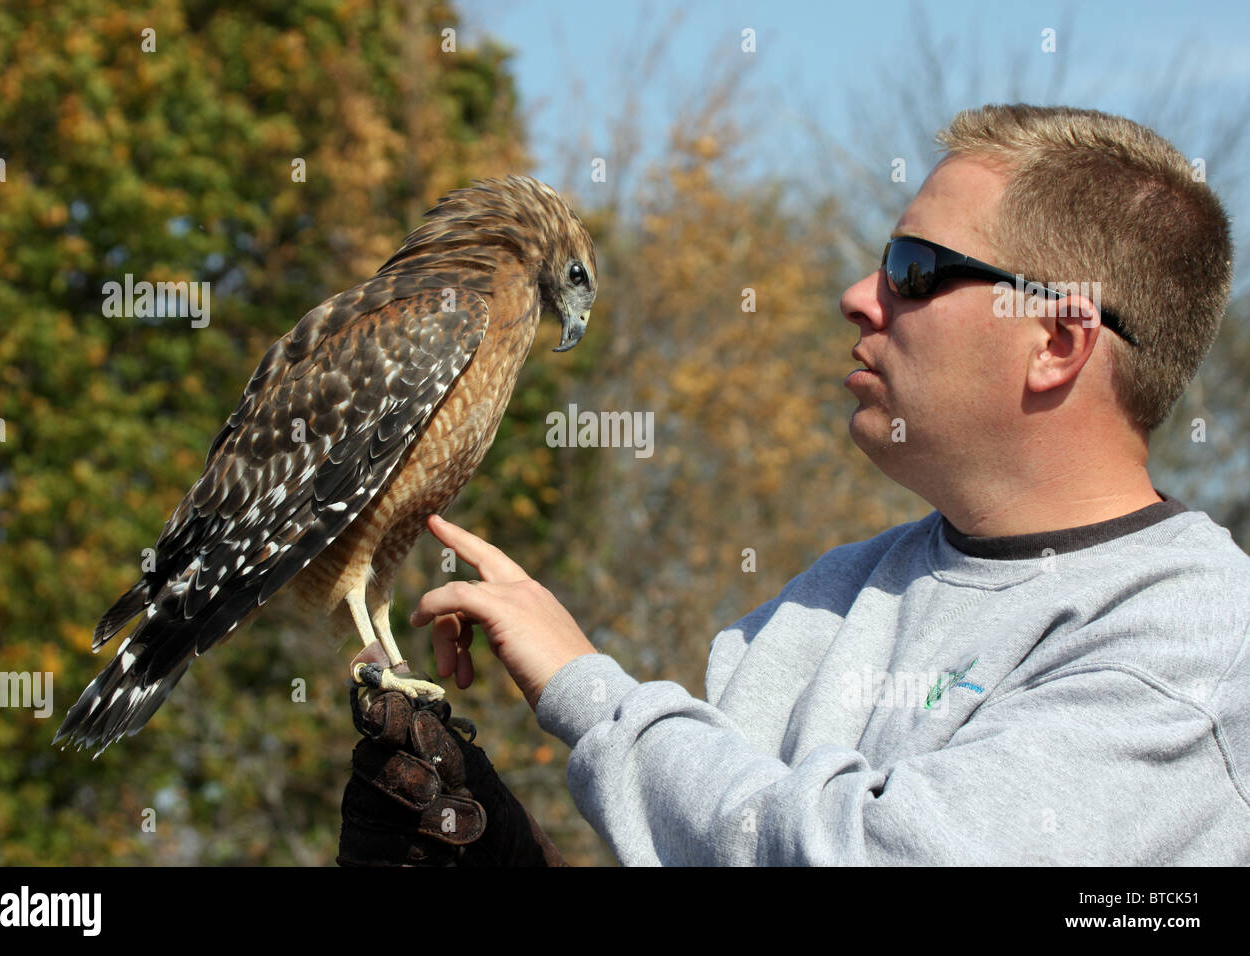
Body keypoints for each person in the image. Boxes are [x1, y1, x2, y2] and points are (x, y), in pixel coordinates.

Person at [381, 104, 1250, 864]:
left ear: (1055, 342)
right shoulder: (825, 600)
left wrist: (587, 690)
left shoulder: (1195, 643)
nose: (857, 296)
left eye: (913, 269)